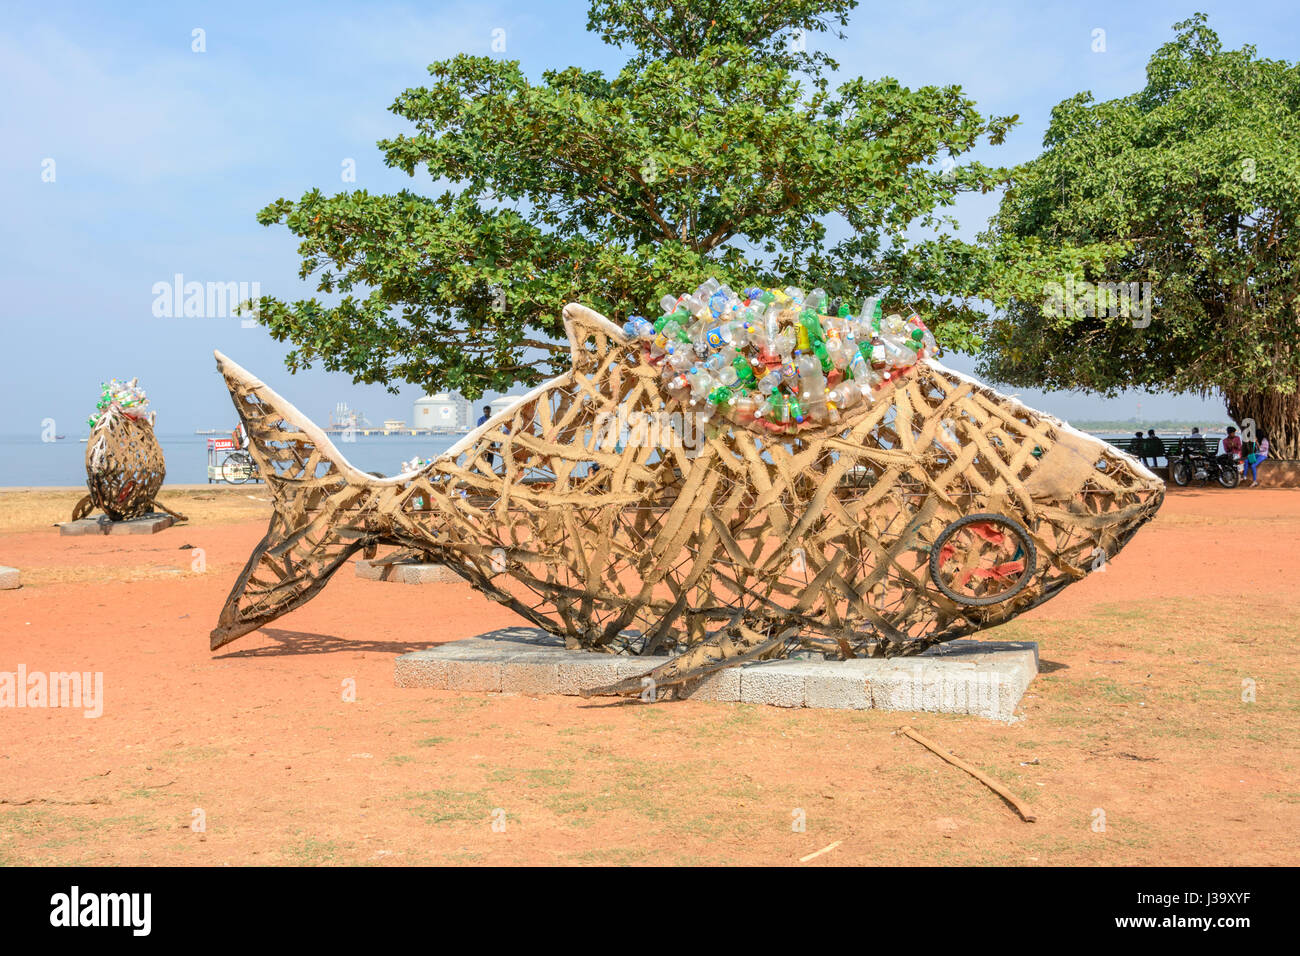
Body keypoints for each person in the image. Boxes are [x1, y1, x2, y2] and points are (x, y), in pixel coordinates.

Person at [476, 406, 496, 473]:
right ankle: (479, 471)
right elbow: (479, 430)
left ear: (490, 411)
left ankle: (489, 470)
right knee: (481, 456)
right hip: (482, 441)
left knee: (491, 455)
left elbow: (495, 429)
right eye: (485, 411)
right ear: (483, 411)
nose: (486, 413)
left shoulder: (493, 419)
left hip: (491, 441)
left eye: (487, 411)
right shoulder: (481, 419)